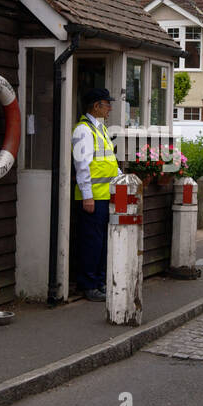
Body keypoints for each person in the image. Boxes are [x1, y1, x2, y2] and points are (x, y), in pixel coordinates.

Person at [71, 87, 120, 301]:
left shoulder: (100, 128)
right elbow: (82, 165)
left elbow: (111, 161)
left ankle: (98, 282)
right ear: (96, 106)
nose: (110, 108)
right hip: (93, 198)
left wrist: (123, 181)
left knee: (101, 243)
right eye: (107, 104)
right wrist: (87, 196)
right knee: (92, 243)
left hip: (105, 196)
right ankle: (88, 284)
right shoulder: (83, 130)